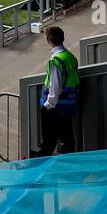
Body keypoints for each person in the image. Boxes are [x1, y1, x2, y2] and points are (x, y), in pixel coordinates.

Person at [32, 26, 79, 158]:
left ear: (48, 40)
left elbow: (55, 87)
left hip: (55, 108)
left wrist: (47, 106)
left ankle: (38, 169)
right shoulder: (70, 57)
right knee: (67, 139)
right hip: (68, 105)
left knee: (49, 143)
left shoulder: (55, 61)